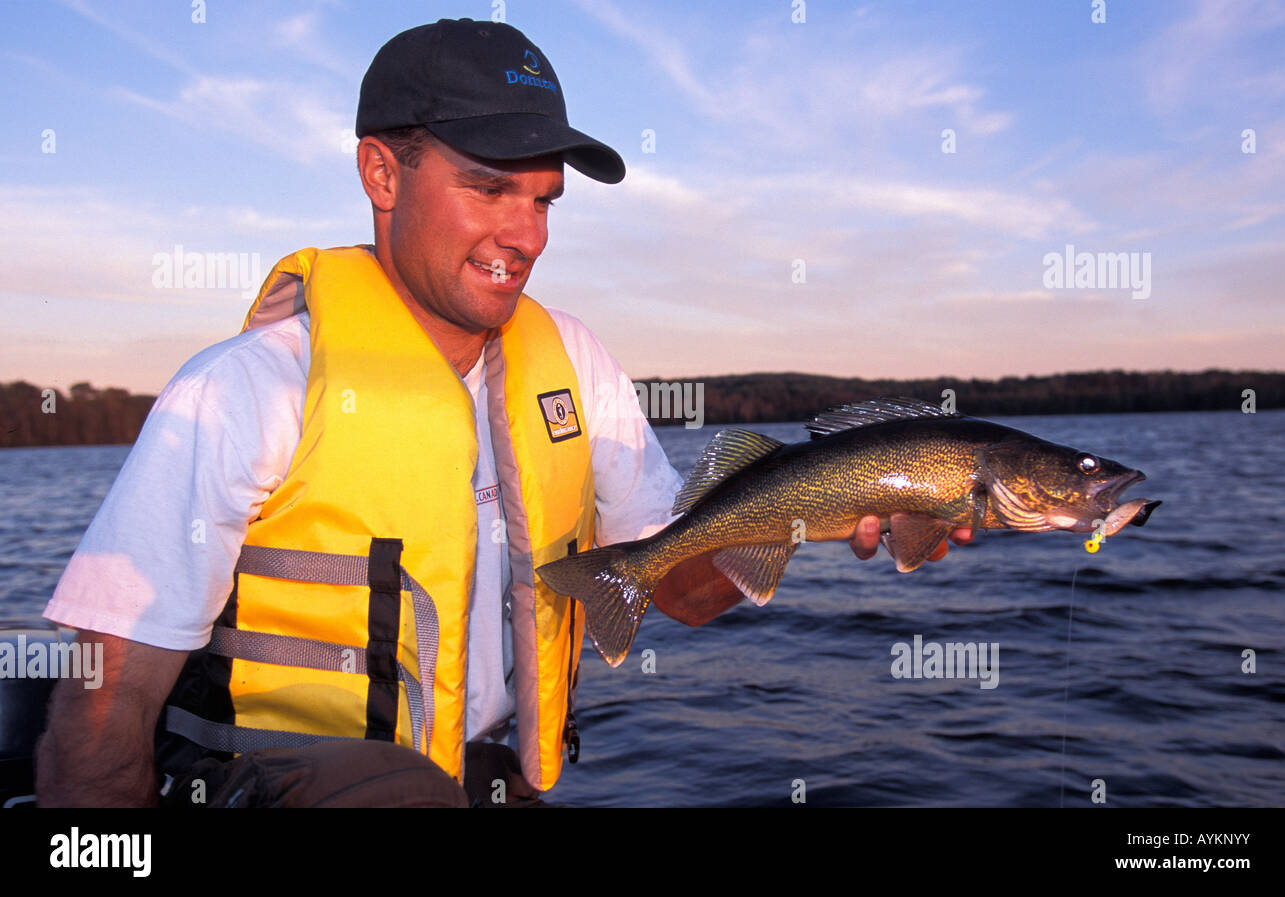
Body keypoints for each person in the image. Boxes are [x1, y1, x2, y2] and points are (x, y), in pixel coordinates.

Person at [35, 19, 969, 808]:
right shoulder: (244, 390)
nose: (526, 237)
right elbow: (102, 713)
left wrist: (808, 508)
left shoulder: (575, 364)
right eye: (489, 187)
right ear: (381, 173)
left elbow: (677, 587)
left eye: (542, 199)